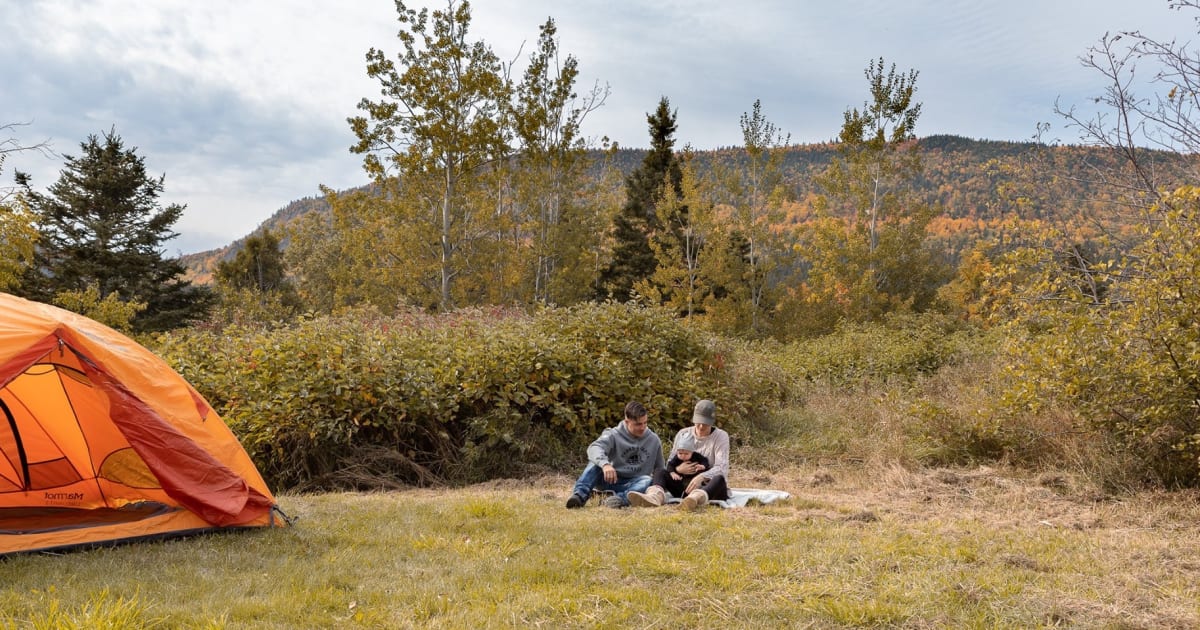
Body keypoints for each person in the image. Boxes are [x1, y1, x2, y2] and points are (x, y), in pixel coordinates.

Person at [628, 399, 730, 510]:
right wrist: (678, 469)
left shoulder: (721, 436)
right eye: (698, 422)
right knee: (660, 471)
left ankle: (694, 500)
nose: (701, 426)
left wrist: (701, 477)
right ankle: (654, 497)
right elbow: (670, 462)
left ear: (712, 421)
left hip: (708, 487)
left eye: (705, 423)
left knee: (719, 478)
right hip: (684, 487)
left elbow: (722, 468)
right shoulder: (683, 433)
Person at [565, 400, 665, 509]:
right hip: (610, 479)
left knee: (647, 480)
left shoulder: (654, 440)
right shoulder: (613, 434)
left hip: (634, 485)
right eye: (638, 424)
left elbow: (660, 469)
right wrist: (605, 464)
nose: (642, 427)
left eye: (645, 423)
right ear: (627, 421)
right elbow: (594, 448)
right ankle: (579, 496)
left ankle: (618, 500)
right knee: (595, 463)